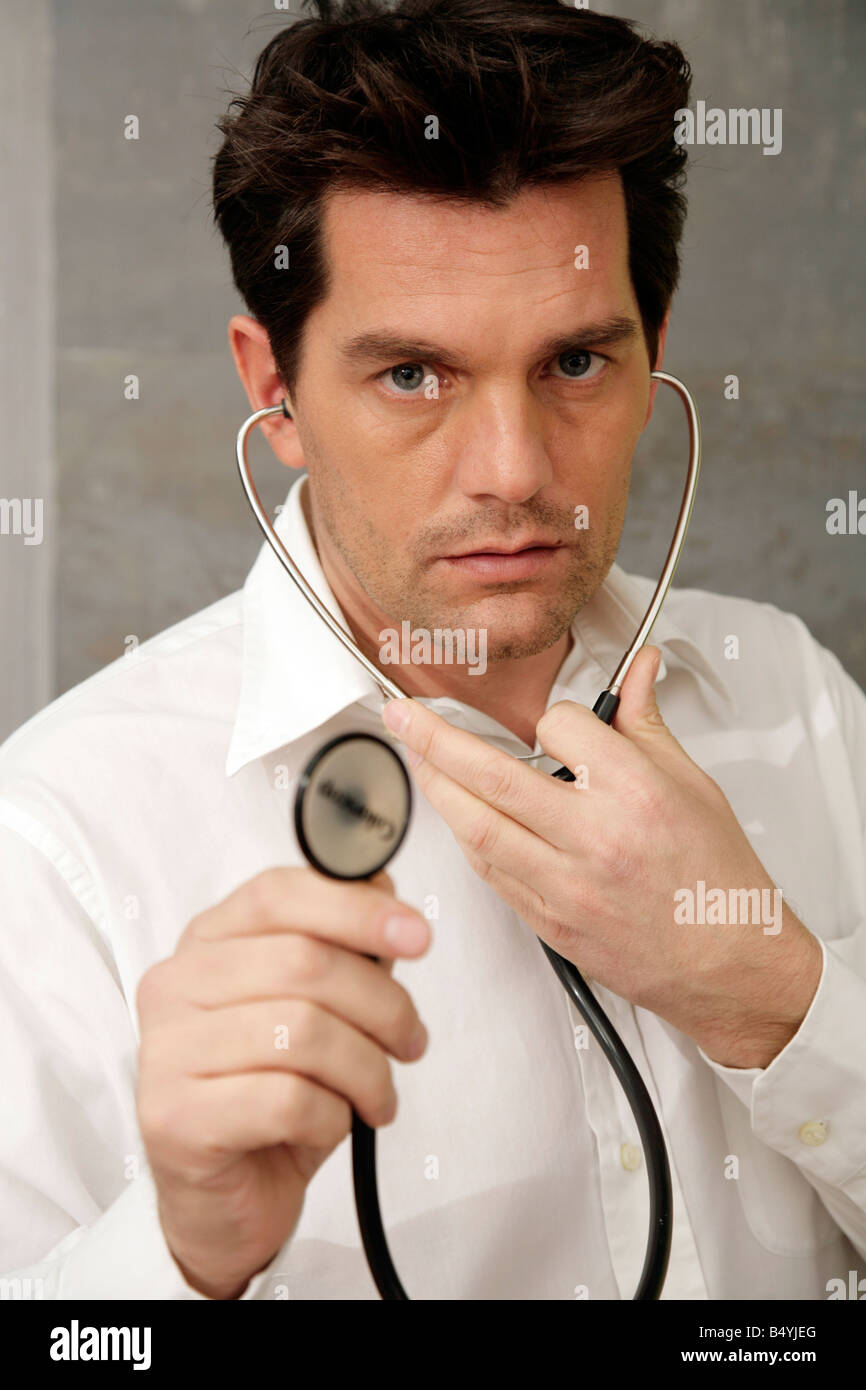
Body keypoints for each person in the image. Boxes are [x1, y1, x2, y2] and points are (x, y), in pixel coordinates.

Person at [1, 0, 864, 1302]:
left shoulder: (793, 694)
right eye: (412, 375)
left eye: (575, 360)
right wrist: (180, 1255)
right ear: (273, 394)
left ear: (656, 353)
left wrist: (772, 996)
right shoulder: (61, 836)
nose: (515, 473)